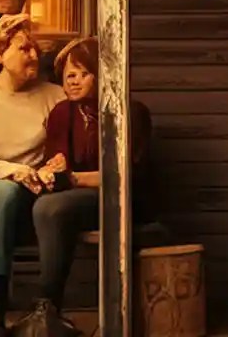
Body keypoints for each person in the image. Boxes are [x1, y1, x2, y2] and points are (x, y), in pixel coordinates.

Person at [31, 36, 154, 323]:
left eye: (83, 74)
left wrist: (73, 179)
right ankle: (48, 309)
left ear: (103, 74)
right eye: (69, 75)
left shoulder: (131, 112)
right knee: (48, 206)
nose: (73, 81)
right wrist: (55, 169)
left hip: (123, 198)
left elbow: (126, 176)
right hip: (77, 202)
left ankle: (45, 307)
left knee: (50, 208)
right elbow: (57, 167)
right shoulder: (62, 113)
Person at [0, 13, 66, 337]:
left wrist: (55, 165)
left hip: (37, 192)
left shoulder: (55, 95)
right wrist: (17, 172)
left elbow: (64, 145)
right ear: (0, 55)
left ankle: (47, 310)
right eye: (23, 49)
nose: (33, 55)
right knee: (5, 193)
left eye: (35, 48)